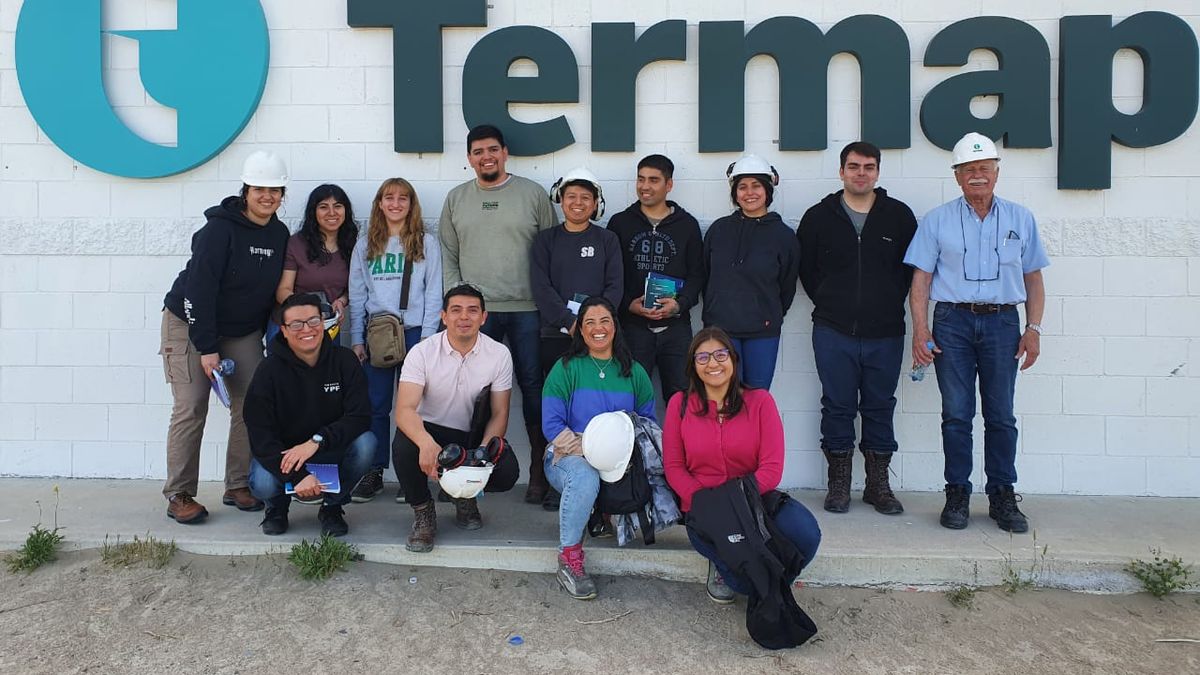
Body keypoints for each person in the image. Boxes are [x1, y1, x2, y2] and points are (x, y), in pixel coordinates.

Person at [904, 132, 1049, 533]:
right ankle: (957, 494)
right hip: (952, 323)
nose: (978, 176)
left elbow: (1033, 280)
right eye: (969, 170)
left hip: (1004, 323)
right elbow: (921, 282)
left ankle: (1002, 494)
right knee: (956, 414)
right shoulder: (937, 221)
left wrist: (1033, 328)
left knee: (1001, 414)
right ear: (957, 176)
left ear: (996, 173)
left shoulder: (1021, 219)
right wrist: (920, 330)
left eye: (984, 169)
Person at [159, 150, 290, 524]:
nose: (268, 196)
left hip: (241, 330)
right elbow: (199, 290)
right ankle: (179, 494)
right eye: (261, 189)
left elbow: (270, 293)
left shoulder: (278, 233)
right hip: (190, 324)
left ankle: (238, 484)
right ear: (246, 190)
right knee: (192, 406)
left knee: (253, 403)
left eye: (276, 190)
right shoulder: (219, 229)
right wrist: (206, 347)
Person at [797, 141, 918, 516]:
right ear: (841, 171)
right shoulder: (819, 216)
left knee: (880, 406)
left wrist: (883, 302)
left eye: (868, 166)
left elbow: (911, 271)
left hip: (886, 331)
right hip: (833, 330)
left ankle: (878, 486)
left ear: (878, 172)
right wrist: (832, 301)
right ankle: (839, 485)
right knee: (837, 406)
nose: (860, 173)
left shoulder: (899, 216)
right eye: (853, 166)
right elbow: (807, 270)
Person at [439, 124, 557, 507]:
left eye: (493, 149)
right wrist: (463, 307)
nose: (486, 157)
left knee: (534, 392)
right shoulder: (457, 199)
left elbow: (550, 251)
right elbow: (449, 257)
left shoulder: (532, 195)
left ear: (505, 152)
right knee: (467, 395)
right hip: (476, 317)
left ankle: (541, 472)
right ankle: (459, 473)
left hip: (527, 311)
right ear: (470, 158)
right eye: (478, 151)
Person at [662, 327, 821, 604]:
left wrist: (739, 499)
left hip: (754, 501)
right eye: (703, 357)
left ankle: (774, 583)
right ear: (693, 366)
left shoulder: (760, 402)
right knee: (741, 585)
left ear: (734, 360)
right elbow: (674, 467)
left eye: (720, 354)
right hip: (706, 509)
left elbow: (771, 468)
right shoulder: (680, 405)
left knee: (806, 532)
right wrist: (709, 502)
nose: (713, 363)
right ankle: (730, 567)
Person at [541, 296, 657, 600]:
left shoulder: (635, 372)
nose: (598, 328)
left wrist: (616, 453)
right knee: (584, 477)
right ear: (580, 329)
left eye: (604, 320)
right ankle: (569, 558)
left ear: (615, 327)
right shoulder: (566, 368)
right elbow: (552, 425)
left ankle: (600, 513)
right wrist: (591, 450)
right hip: (567, 454)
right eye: (589, 322)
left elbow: (648, 424)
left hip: (619, 458)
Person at [393, 284, 520, 553]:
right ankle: (423, 512)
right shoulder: (422, 352)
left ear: (484, 317)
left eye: (473, 311)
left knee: (507, 471)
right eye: (456, 310)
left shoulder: (499, 354)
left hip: (470, 436)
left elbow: (500, 412)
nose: (464, 317)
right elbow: (404, 409)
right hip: (430, 432)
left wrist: (483, 454)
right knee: (404, 442)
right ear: (444, 316)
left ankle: (464, 496)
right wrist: (426, 444)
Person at [243, 293, 375, 536]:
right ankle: (276, 508)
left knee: (367, 443)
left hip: (328, 448)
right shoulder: (268, 370)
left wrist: (317, 441)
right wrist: (299, 475)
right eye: (296, 324)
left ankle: (332, 508)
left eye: (314, 321)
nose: (307, 329)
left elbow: (360, 417)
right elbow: (260, 435)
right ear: (283, 330)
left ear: (323, 323)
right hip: (286, 457)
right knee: (261, 483)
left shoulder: (344, 361)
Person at [348, 178, 442, 504]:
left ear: (412, 204)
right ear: (379, 204)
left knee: (413, 406)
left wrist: (429, 338)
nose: (396, 203)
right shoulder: (365, 245)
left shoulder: (426, 243)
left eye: (403, 198)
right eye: (389, 197)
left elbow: (433, 292)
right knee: (376, 405)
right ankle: (374, 471)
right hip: (379, 333)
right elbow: (358, 295)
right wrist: (357, 338)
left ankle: (409, 473)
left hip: (415, 331)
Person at [608, 154, 704, 403]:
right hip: (632, 328)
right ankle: (633, 444)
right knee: (629, 398)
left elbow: (697, 275)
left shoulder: (687, 225)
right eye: (640, 179)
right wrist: (628, 304)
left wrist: (679, 305)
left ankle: (679, 444)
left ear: (668, 185)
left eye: (653, 180)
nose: (645, 186)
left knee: (682, 400)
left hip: (676, 329)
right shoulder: (620, 223)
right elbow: (611, 274)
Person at [701, 154, 800, 390]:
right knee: (723, 397)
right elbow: (705, 276)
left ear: (768, 190)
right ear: (735, 193)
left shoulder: (784, 236)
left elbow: (787, 286)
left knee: (756, 400)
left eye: (756, 186)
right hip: (720, 330)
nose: (749, 192)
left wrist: (768, 313)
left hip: (762, 333)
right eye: (742, 187)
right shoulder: (718, 230)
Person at [270, 184, 359, 345]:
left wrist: (342, 301)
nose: (332, 213)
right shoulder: (297, 243)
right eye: (323, 207)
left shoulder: (353, 245)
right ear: (313, 212)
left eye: (338, 206)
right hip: (293, 327)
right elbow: (283, 291)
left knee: (327, 370)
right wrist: (310, 310)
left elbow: (352, 288)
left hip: (328, 326)